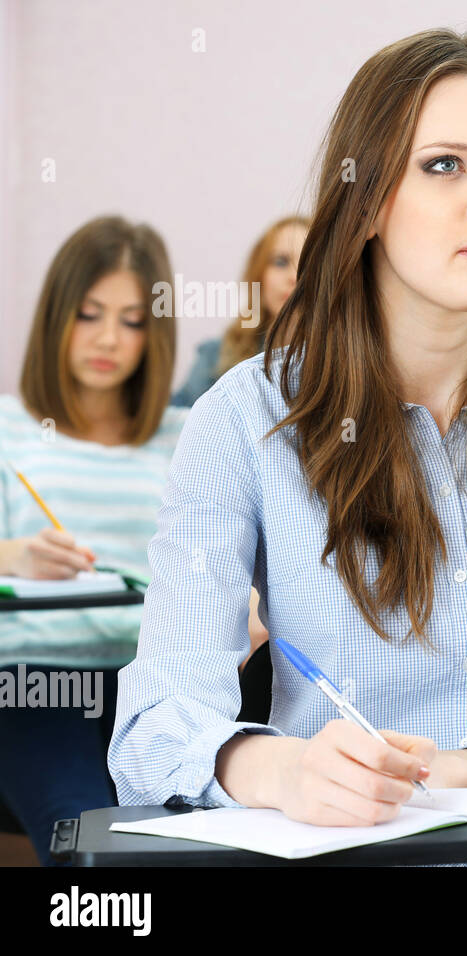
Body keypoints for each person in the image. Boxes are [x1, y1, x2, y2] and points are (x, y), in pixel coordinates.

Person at [109, 28, 467, 867]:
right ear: (366, 199)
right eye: (445, 164)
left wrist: (460, 776)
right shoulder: (242, 420)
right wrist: (276, 767)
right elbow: (150, 733)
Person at [0, 216, 187, 866]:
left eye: (133, 321)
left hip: (160, 685)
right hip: (36, 685)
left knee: (194, 845)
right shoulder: (8, 428)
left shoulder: (187, 435)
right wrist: (12, 556)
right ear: (57, 316)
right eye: (89, 314)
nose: (109, 338)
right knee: (91, 848)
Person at [170, 216, 308, 407]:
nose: (294, 277)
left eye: (307, 264)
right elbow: (175, 423)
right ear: (257, 275)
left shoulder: (345, 361)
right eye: (281, 262)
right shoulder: (214, 356)